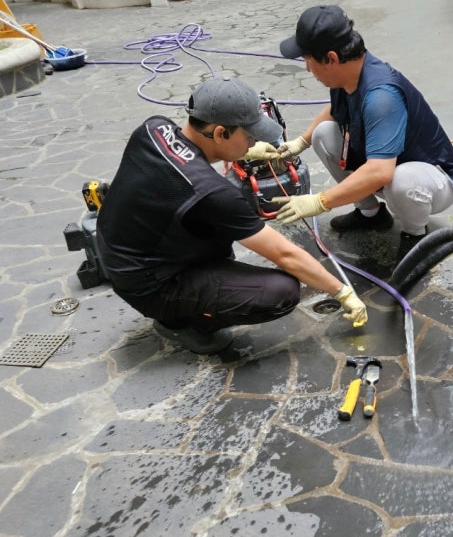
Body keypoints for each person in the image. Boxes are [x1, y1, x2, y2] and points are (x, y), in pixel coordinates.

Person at [96, 77, 367, 355]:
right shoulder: (212, 193)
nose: (255, 140)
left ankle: (188, 293)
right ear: (220, 133)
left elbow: (186, 158)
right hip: (148, 285)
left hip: (116, 249)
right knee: (281, 292)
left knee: (217, 236)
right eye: (249, 135)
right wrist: (341, 291)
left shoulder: (153, 127)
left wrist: (246, 150)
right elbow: (285, 255)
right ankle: (181, 322)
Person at [272, 5, 453, 253]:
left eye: (308, 59)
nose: (307, 68)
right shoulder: (346, 75)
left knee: (401, 181)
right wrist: (301, 142)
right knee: (323, 134)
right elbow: (335, 109)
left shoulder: (382, 96)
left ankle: (415, 236)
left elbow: (380, 172)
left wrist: (321, 202)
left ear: (331, 58)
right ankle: (371, 214)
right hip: (389, 170)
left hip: (432, 181)